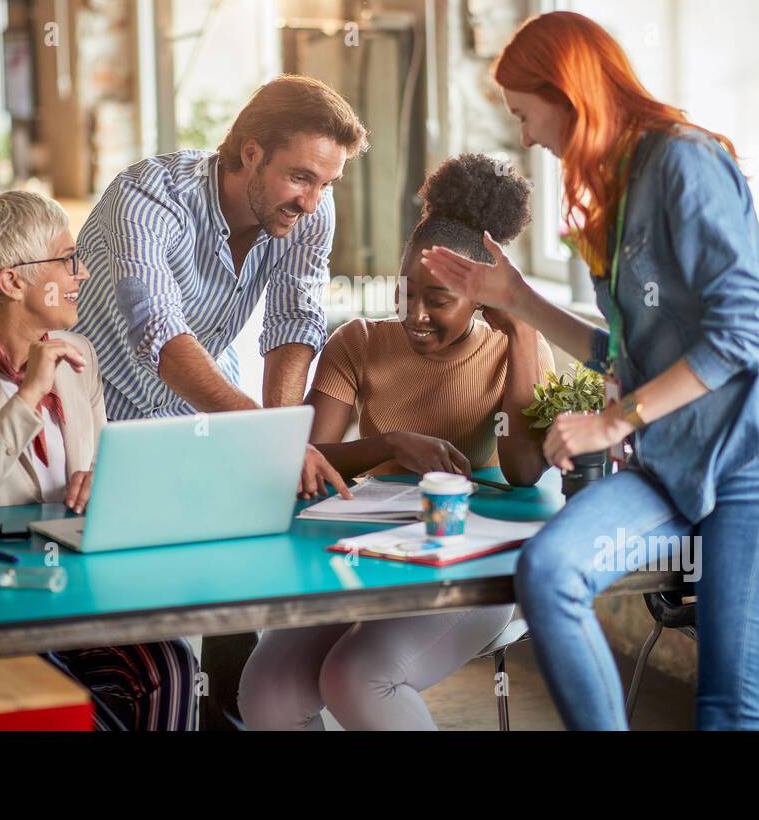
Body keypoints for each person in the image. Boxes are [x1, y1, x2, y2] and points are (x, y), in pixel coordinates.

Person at [422, 11, 759, 730]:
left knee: (731, 713)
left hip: (756, 464)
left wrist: (612, 419)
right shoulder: (617, 191)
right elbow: (630, 355)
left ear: (568, 91)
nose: (525, 136)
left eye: (524, 113)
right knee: (548, 573)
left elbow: (745, 330)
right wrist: (516, 299)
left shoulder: (684, 161)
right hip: (669, 469)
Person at [72, 74, 367, 727]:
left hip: (209, 410)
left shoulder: (310, 209)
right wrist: (262, 436)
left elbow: (294, 322)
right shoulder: (146, 197)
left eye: (328, 183)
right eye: (301, 177)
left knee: (238, 576)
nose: (314, 200)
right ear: (251, 151)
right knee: (127, 606)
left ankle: (225, 717)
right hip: (100, 418)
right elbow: (161, 337)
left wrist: (281, 435)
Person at [237, 154, 555, 730]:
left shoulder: (512, 353)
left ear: (481, 295)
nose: (415, 315)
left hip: (469, 568)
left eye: (437, 299)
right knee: (266, 693)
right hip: (369, 552)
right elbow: (300, 462)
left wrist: (525, 330)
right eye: (404, 292)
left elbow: (525, 469)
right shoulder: (358, 342)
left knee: (358, 677)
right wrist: (392, 445)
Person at [0, 191, 198, 731]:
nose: (81, 274)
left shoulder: (80, 352)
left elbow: (102, 467)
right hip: (3, 600)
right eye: (67, 259)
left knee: (172, 665)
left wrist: (104, 481)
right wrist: (29, 393)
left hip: (83, 589)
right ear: (13, 281)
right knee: (60, 698)